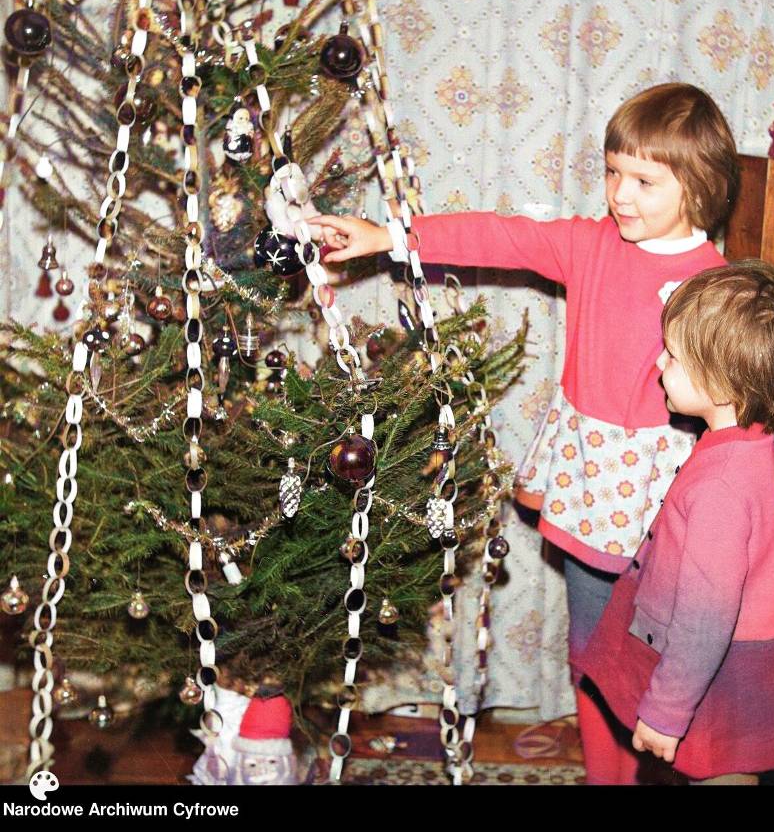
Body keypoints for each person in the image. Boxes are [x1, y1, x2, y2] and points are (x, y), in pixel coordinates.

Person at [307, 83, 739, 783]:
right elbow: (501, 235)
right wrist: (388, 236)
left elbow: (748, 396)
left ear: (701, 185)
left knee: (672, 655)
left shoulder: (717, 285)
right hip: (593, 493)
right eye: (612, 172)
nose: (619, 194)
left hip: (674, 506)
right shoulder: (590, 245)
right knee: (592, 650)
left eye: (643, 181)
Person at [573, 261, 774, 784]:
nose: (659, 365)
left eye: (673, 355)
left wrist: (667, 713)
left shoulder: (722, 485)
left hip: (720, 685)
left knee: (721, 774)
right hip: (721, 672)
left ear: (721, 380)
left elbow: (704, 620)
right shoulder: (751, 444)